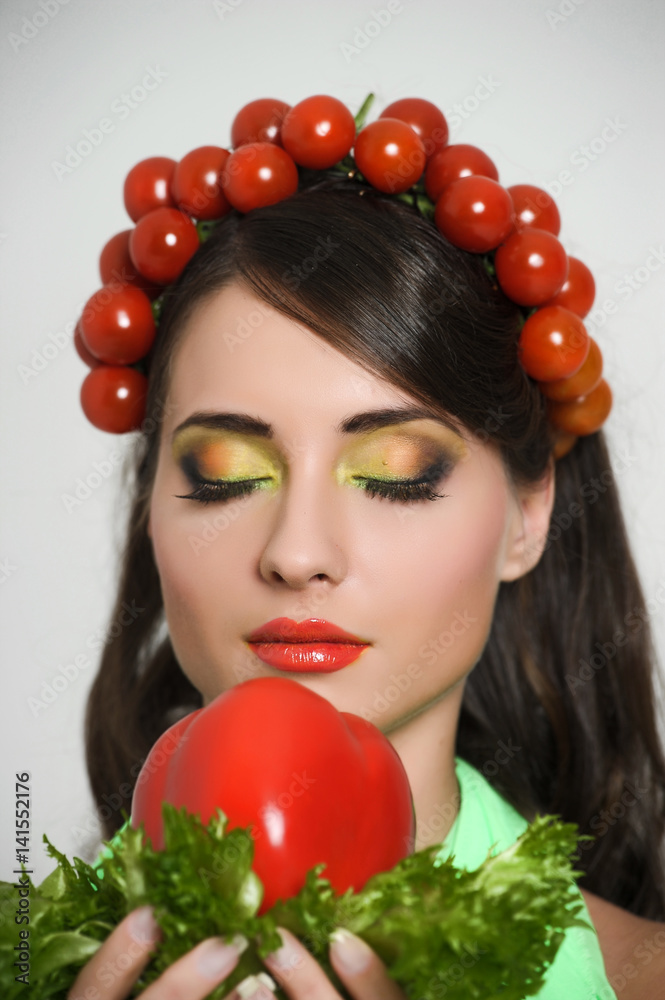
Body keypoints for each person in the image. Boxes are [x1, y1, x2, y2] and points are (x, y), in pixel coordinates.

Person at [68, 107, 665, 1000]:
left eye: (396, 472)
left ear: (526, 516)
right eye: (225, 472)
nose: (297, 554)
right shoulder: (30, 955)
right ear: (152, 505)